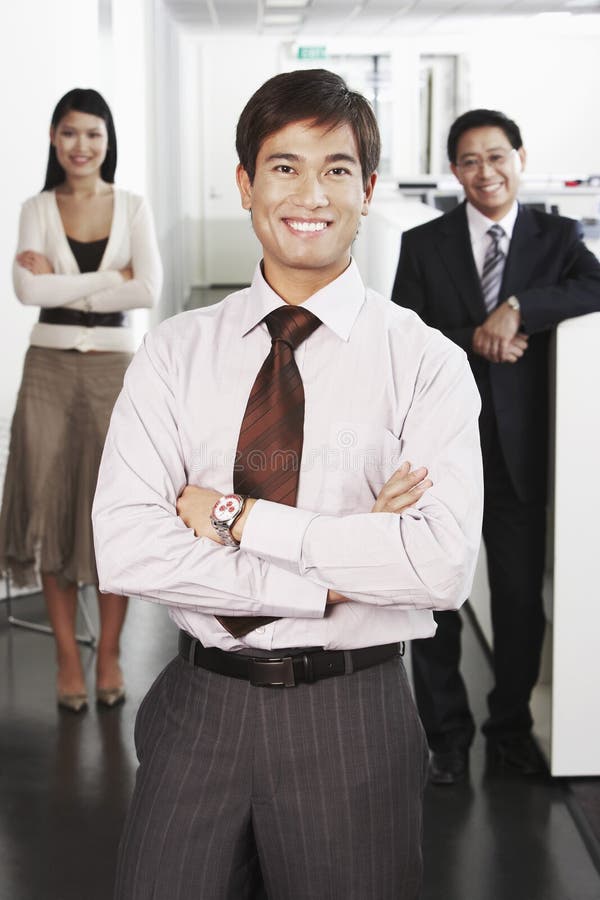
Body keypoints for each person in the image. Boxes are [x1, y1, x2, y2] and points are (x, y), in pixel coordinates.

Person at [93, 69, 482, 899]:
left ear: (368, 189)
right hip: (201, 705)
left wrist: (235, 519)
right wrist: (340, 578)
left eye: (337, 168)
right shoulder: (175, 353)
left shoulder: (426, 365)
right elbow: (127, 550)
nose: (311, 192)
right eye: (284, 166)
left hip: (350, 715)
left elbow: (440, 568)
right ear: (245, 184)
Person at [391, 108, 600, 785]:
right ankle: (445, 737)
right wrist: (478, 336)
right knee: (438, 598)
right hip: (443, 449)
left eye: (497, 156)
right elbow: (405, 339)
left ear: (520, 158)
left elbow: (594, 285)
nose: (486, 172)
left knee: (516, 601)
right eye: (471, 161)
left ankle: (509, 728)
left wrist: (521, 310)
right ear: (455, 171)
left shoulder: (558, 235)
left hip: (519, 454)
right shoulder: (425, 244)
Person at [0, 88, 162, 714]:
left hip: (116, 372)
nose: (81, 146)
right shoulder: (36, 207)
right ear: (53, 138)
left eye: (93, 134)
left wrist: (67, 287)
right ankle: (69, 657)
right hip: (46, 367)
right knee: (46, 502)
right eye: (69, 133)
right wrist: (109, 280)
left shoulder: (133, 206)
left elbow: (148, 287)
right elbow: (25, 287)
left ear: (107, 140)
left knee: (111, 509)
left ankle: (111, 652)